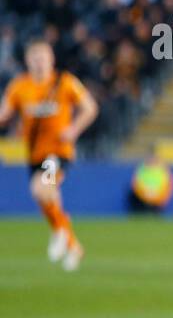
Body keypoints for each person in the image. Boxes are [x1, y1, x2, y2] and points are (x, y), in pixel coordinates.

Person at [0, 40, 99, 271]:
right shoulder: (19, 86)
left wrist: (74, 130)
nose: (39, 61)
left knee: (41, 188)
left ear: (51, 59)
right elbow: (4, 113)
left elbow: (90, 108)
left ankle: (60, 232)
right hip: (35, 153)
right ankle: (71, 243)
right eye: (34, 57)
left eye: (43, 57)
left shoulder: (64, 82)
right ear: (27, 61)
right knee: (44, 195)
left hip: (58, 151)